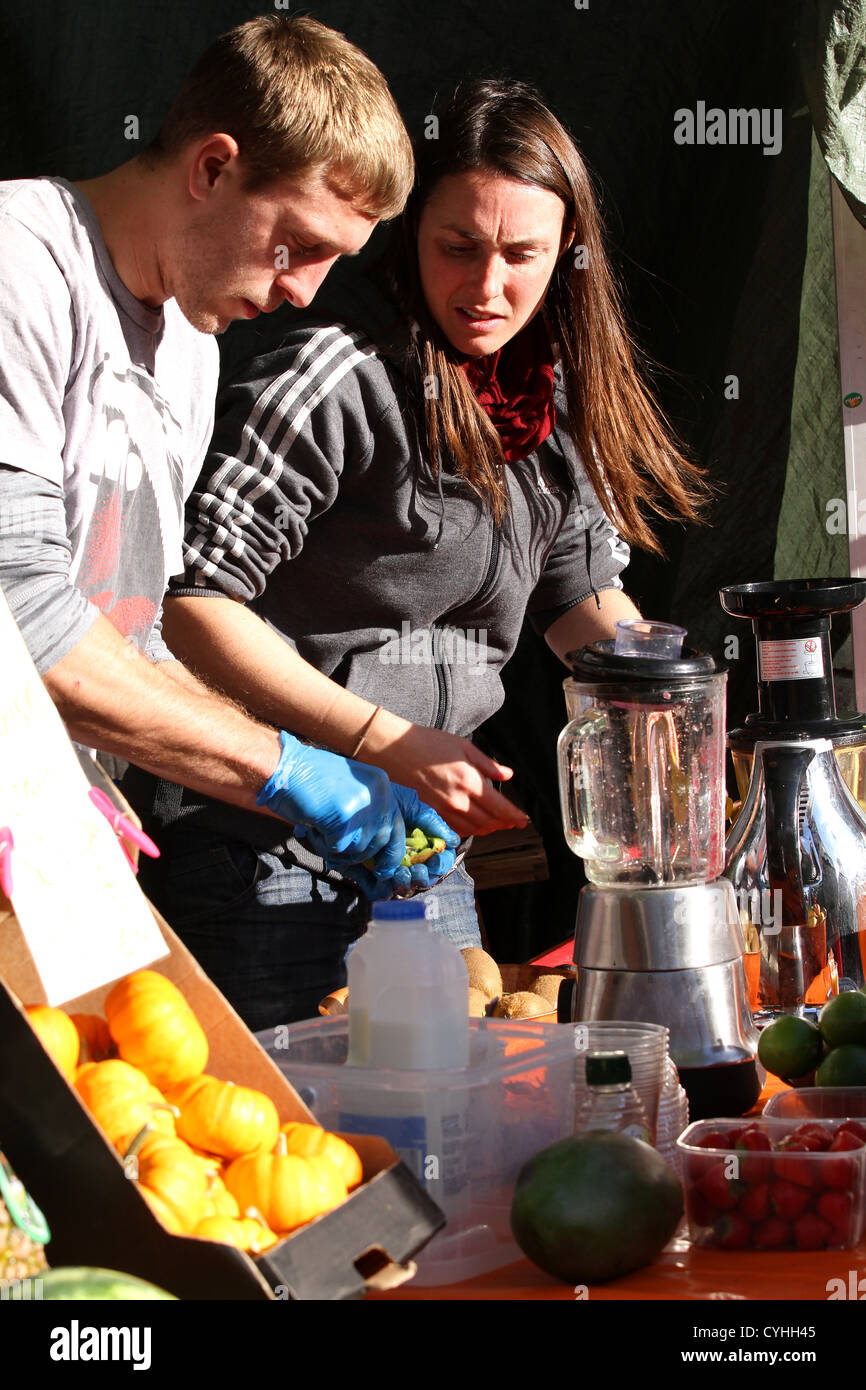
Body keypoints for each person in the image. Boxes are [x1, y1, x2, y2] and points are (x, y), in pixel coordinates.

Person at [129, 78, 708, 1029]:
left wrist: (665, 705)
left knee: (442, 1102)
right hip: (260, 850)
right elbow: (190, 600)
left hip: (421, 856)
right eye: (458, 247)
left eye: (520, 255)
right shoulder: (335, 375)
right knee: (287, 1115)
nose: (486, 288)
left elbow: (579, 593)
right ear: (409, 236)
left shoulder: (549, 394)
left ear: (569, 249)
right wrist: (380, 743)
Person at [0, 14, 459, 894]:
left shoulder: (190, 348)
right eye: (303, 244)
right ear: (212, 168)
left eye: (335, 261)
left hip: (49, 837)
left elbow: (131, 639)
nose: (305, 291)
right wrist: (280, 767)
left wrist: (301, 784)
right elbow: (21, 617)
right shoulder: (22, 261)